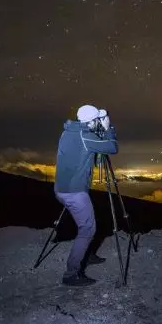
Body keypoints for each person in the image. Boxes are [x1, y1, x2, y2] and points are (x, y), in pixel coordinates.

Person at [54, 104, 118, 286]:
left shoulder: (68, 131)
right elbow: (112, 147)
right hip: (74, 192)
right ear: (91, 122)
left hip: (62, 188)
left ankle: (86, 256)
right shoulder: (86, 136)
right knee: (88, 228)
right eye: (97, 119)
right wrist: (108, 128)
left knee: (86, 224)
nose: (99, 122)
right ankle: (71, 274)